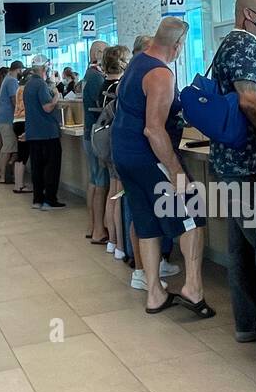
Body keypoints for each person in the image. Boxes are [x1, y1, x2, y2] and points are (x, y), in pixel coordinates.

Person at [112, 18, 211, 316]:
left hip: (123, 155)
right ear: (178, 45)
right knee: (193, 212)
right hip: (147, 156)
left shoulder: (137, 63)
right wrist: (176, 170)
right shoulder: (160, 74)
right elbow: (153, 130)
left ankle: (154, 293)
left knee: (147, 222)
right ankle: (193, 288)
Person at [210, 0, 256, 343]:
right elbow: (250, 101)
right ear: (249, 15)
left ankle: (247, 324)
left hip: (230, 160)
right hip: (247, 162)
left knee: (239, 246)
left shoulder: (229, 45)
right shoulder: (245, 46)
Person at [98, 44, 130, 260]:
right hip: (118, 143)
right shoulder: (120, 86)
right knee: (119, 195)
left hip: (106, 143)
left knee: (112, 193)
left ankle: (112, 241)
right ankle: (120, 243)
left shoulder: (102, 85)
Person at [23, 55, 65, 209]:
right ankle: (50, 199)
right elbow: (47, 107)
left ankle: (38, 199)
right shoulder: (40, 85)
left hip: (33, 132)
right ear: (44, 69)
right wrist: (56, 96)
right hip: (48, 132)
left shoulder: (28, 85)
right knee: (51, 167)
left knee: (37, 167)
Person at [82, 40, 110, 243]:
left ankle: (93, 226)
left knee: (94, 181)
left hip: (89, 133)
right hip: (96, 135)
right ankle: (99, 229)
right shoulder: (95, 77)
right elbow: (103, 104)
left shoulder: (89, 75)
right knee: (100, 183)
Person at [0, 60, 23, 184]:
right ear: (18, 69)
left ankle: (3, 172)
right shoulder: (11, 81)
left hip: (2, 118)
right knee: (9, 147)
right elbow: (14, 100)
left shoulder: (7, 79)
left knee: (7, 146)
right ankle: (2, 175)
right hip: (7, 119)